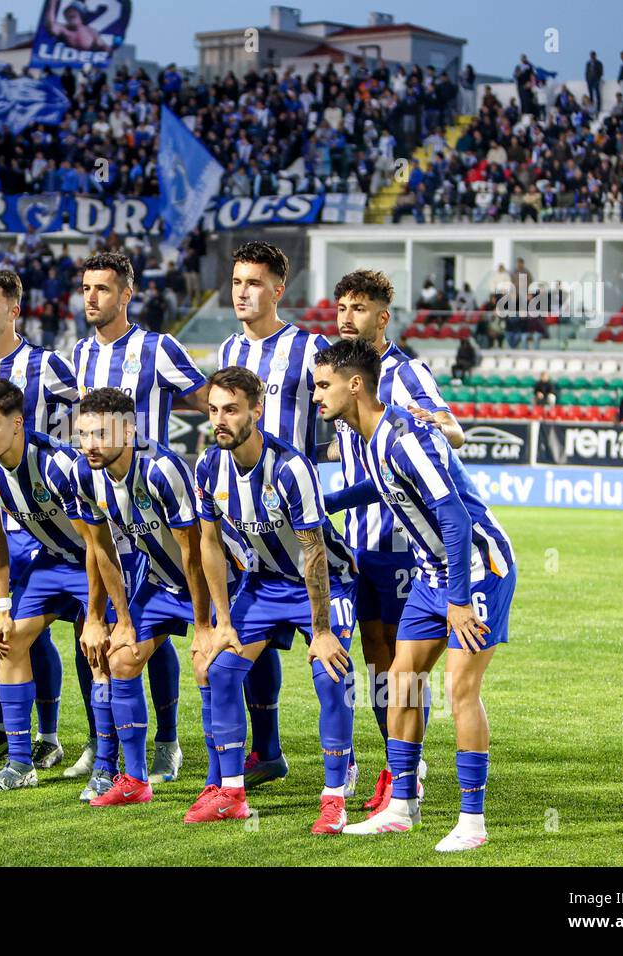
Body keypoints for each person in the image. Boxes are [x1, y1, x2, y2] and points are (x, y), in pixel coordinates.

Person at [315, 338, 517, 852]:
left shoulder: (404, 436)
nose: (317, 396)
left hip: (475, 570)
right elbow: (384, 489)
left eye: (323, 385)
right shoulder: (375, 437)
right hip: (432, 573)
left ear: (354, 385)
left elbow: (454, 517)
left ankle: (472, 822)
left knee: (459, 690)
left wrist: (457, 599)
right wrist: (329, 502)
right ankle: (400, 807)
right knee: (402, 682)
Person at [189, 367, 358, 831]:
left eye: (231, 410)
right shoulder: (208, 467)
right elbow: (209, 546)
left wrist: (321, 632)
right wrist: (221, 623)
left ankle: (335, 795)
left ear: (256, 411)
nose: (220, 420)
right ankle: (231, 794)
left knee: (331, 674)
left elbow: (314, 552)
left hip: (322, 583)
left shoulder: (290, 468)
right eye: (214, 410)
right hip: (264, 585)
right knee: (219, 671)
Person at [68, 251, 209, 781]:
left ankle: (168, 741)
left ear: (126, 295)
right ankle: (101, 744)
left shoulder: (157, 348)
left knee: (163, 630)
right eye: (86, 288)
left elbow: (205, 397)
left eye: (102, 289)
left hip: (157, 504)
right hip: (109, 504)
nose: (92, 298)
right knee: (102, 630)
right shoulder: (79, 354)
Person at [325, 269, 461, 813]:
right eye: (340, 307)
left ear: (383, 317)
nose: (346, 317)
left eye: (358, 308)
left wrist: (431, 420)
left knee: (399, 663)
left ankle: (409, 766)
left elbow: (454, 433)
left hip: (404, 546)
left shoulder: (405, 373)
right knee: (375, 657)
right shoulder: (341, 372)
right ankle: (394, 761)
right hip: (358, 542)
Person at [0, 378, 129, 798]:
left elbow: (97, 543)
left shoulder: (58, 466)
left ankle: (107, 765)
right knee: (10, 640)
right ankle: (20, 763)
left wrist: (92, 616)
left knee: (99, 653)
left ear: (17, 424)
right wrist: (2, 606)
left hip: (101, 561)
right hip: (52, 562)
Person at [0, 270, 79, 770]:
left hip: (54, 517)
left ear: (13, 311)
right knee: (14, 633)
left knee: (82, 636)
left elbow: (81, 416)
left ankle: (67, 739)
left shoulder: (47, 365)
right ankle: (17, 741)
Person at [216, 241, 331, 788]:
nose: (243, 291)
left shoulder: (311, 349)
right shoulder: (227, 348)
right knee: (249, 638)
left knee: (332, 648)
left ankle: (382, 762)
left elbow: (343, 412)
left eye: (254, 282)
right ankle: (266, 752)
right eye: (237, 281)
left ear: (278, 290)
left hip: (301, 511)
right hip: (246, 522)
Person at [72, 388, 214, 806]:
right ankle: (134, 781)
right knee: (120, 657)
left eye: (100, 434)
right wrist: (123, 620)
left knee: (213, 667)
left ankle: (221, 782)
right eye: (83, 434)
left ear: (129, 431)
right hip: (157, 583)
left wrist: (205, 626)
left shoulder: (161, 469)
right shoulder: (86, 475)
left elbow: (194, 552)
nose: (89, 445)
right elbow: (102, 550)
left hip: (208, 583)